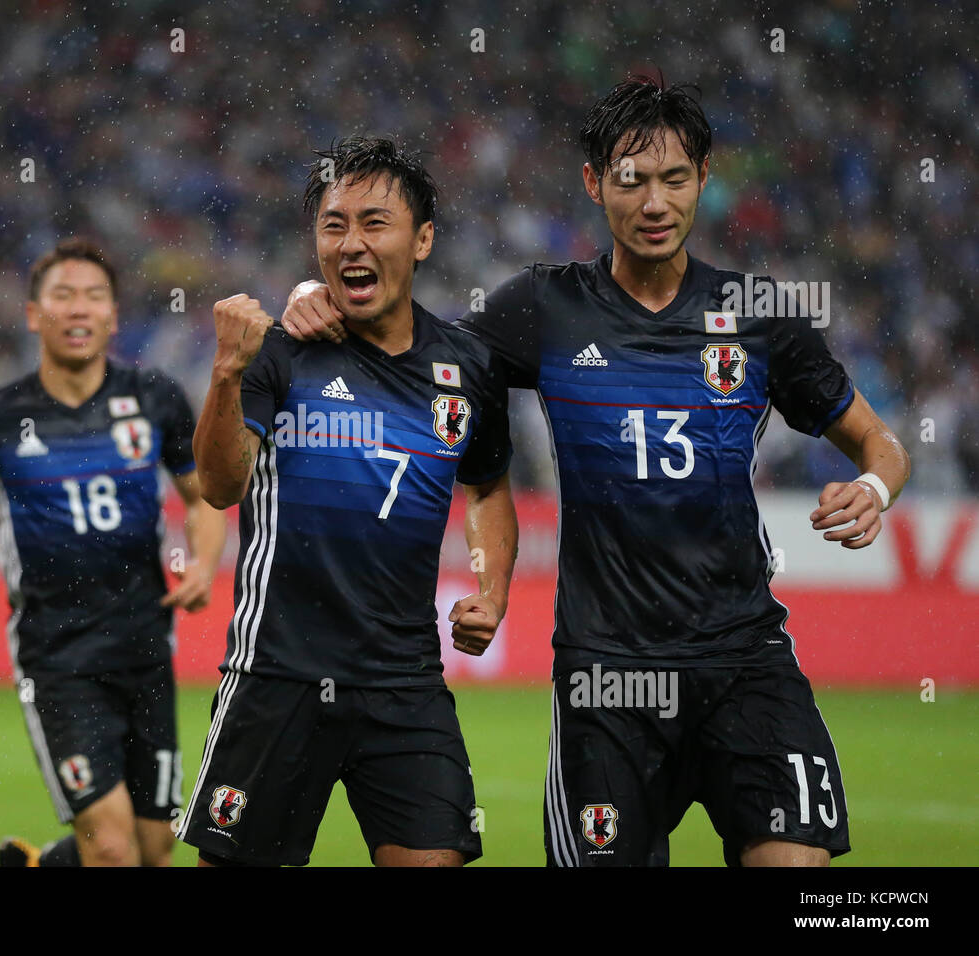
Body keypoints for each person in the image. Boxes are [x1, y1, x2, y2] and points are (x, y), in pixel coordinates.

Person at [279, 77, 911, 867]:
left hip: (744, 661)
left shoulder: (756, 311)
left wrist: (874, 487)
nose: (654, 202)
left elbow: (880, 442)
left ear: (704, 181)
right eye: (631, 179)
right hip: (606, 680)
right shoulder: (544, 308)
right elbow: (415, 346)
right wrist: (316, 290)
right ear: (593, 183)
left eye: (674, 179)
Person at [176, 136, 518, 867]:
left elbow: (486, 487)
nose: (351, 243)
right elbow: (220, 485)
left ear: (422, 239)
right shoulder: (278, 350)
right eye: (334, 226)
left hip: (404, 682)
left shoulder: (468, 367)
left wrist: (491, 588)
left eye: (374, 222)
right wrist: (228, 372)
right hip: (276, 675)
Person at [0, 237, 225, 866]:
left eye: (93, 296)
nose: (78, 309)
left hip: (144, 646)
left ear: (113, 314)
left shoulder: (156, 399)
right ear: (34, 314)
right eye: (63, 296)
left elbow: (204, 498)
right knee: (111, 848)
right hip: (58, 657)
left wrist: (204, 563)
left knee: (154, 847)